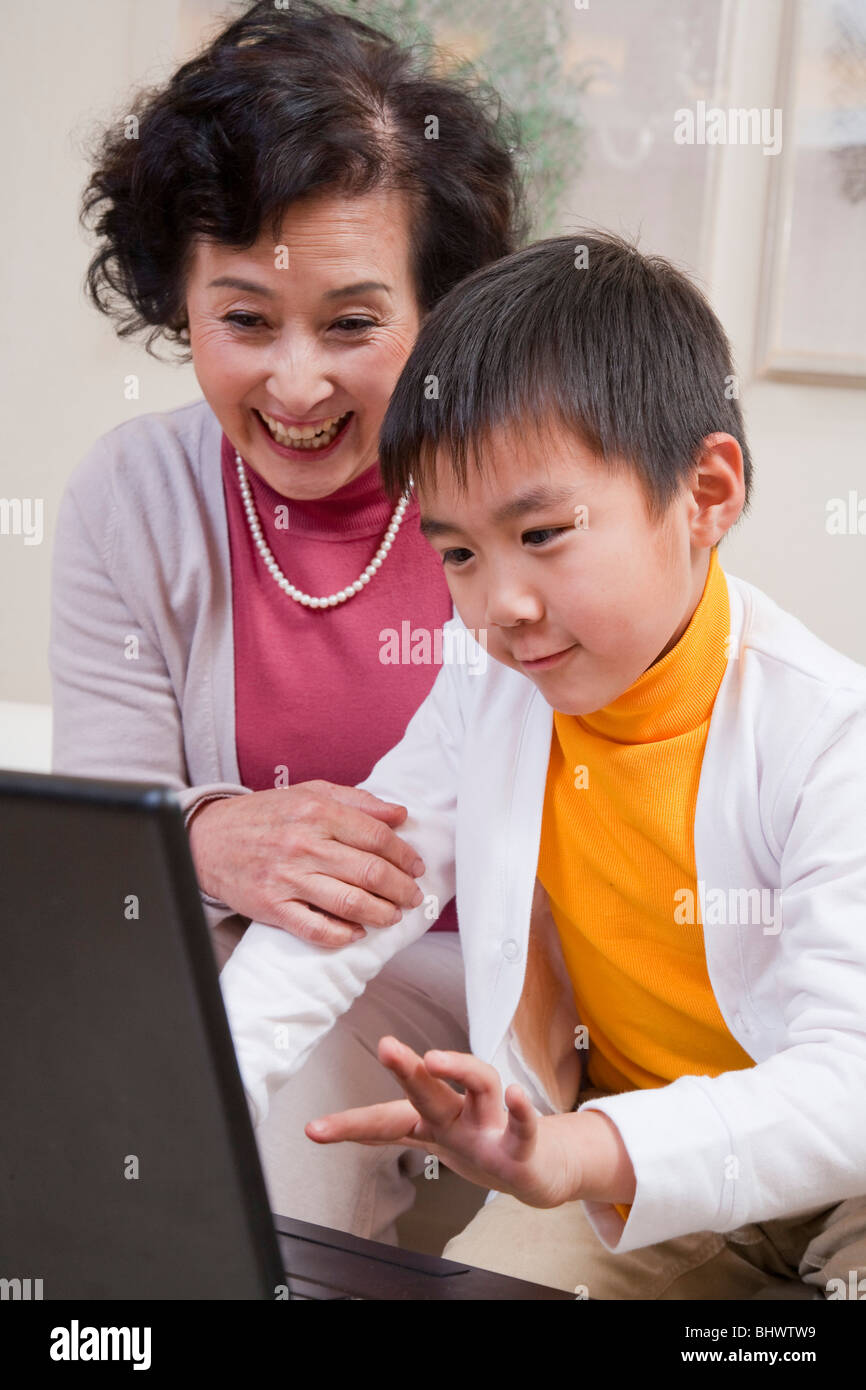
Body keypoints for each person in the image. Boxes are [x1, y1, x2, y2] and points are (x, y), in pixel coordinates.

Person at [218, 230, 866, 1298]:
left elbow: (847, 1090)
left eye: (545, 532)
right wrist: (198, 1098)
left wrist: (582, 1149)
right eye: (460, 553)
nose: (500, 606)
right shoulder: (487, 690)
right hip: (639, 1169)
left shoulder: (828, 733)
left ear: (705, 492)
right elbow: (355, 889)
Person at [50, 0, 527, 1245]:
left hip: (483, 987)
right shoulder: (131, 495)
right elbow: (108, 844)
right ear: (178, 304)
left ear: (439, 306)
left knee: (281, 1093)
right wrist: (211, 835)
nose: (297, 383)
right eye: (245, 319)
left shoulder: (523, 498)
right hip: (215, 963)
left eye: (354, 322)